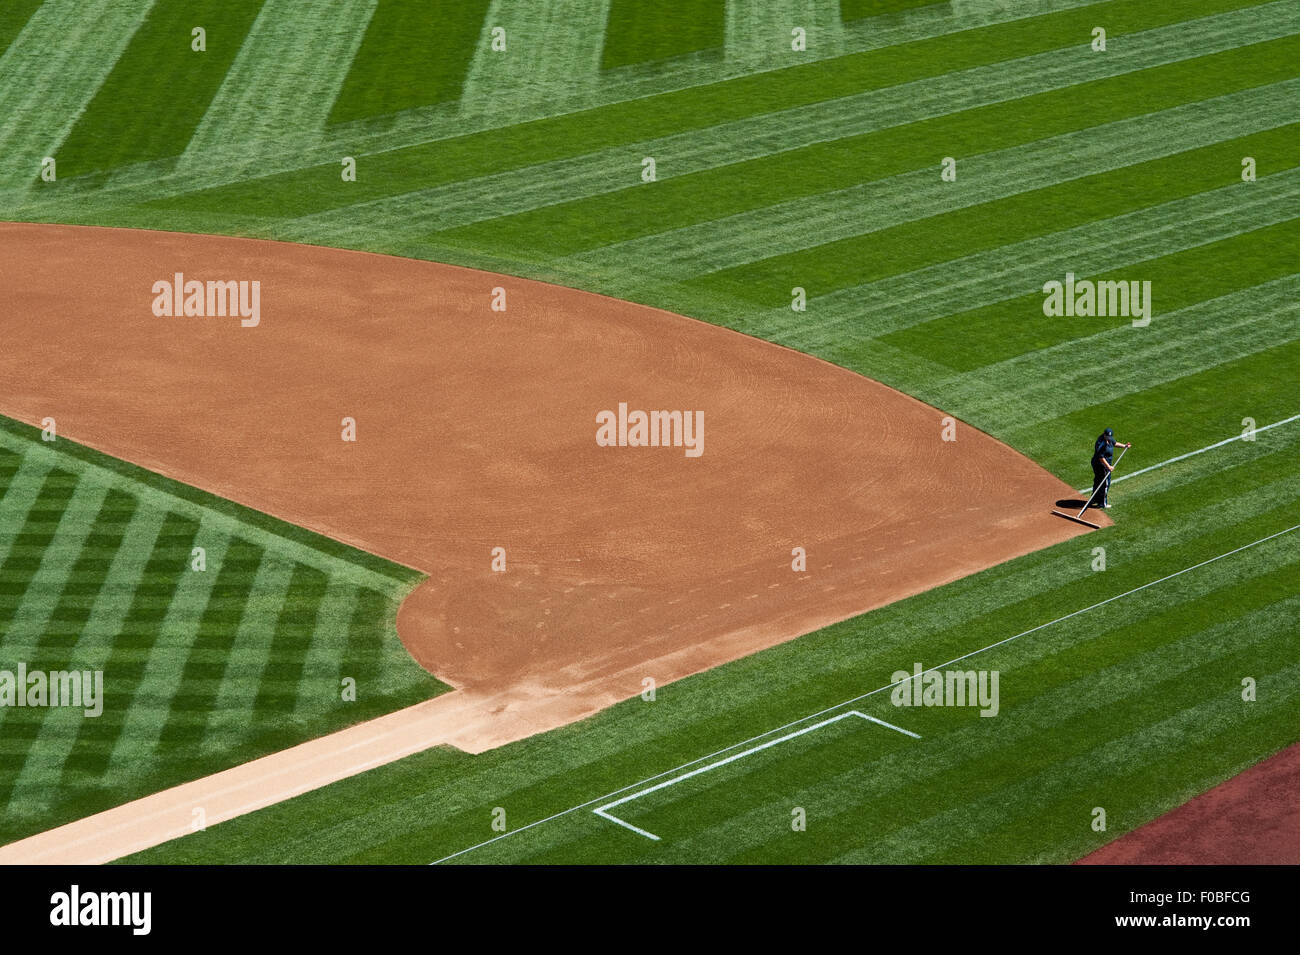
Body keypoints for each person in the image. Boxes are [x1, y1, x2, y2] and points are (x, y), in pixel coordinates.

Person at [1090, 427, 1132, 508]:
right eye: (1107, 437)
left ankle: (1094, 499)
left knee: (1098, 481)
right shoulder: (1101, 443)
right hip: (1101, 465)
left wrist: (1124, 446)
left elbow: (1114, 443)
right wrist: (1108, 466)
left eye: (1110, 437)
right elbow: (1101, 457)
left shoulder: (1109, 439)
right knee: (1105, 483)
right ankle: (1102, 503)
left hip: (1100, 464)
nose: (1109, 438)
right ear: (1104, 435)